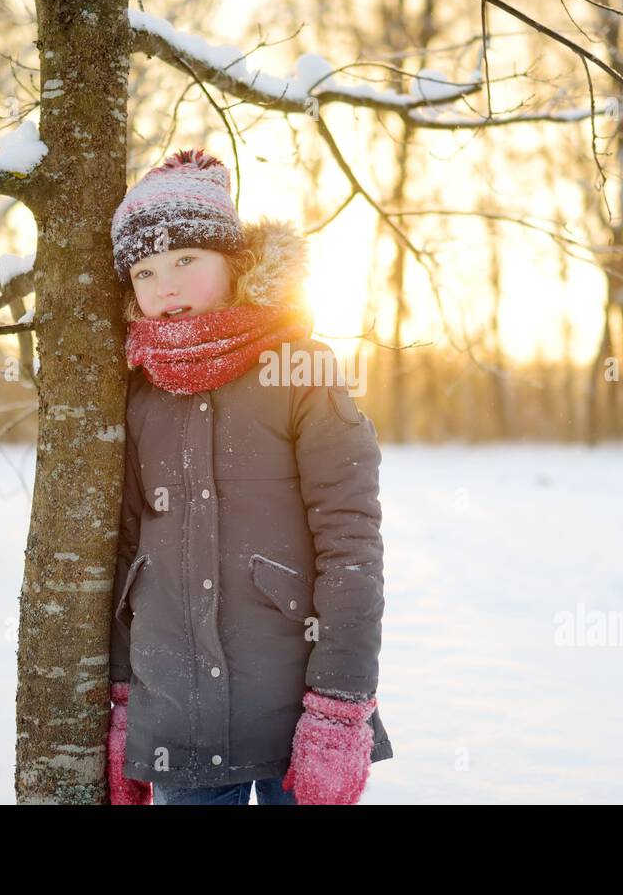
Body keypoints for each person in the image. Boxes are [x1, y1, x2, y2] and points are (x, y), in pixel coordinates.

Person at [104, 147, 393, 805]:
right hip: (179, 716)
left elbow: (351, 542)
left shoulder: (300, 370)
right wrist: (126, 710)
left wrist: (340, 710)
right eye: (145, 271)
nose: (166, 285)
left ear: (234, 265)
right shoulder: (135, 393)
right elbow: (124, 555)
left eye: (185, 261)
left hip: (295, 711)